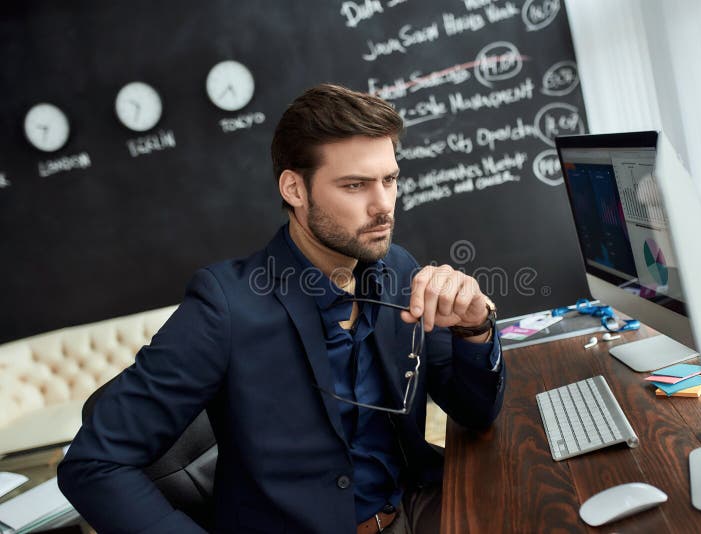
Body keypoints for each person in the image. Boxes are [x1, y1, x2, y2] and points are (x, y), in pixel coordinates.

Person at [58, 83, 506, 534]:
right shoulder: (224, 307)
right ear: (295, 188)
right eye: (355, 185)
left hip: (418, 507)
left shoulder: (399, 270)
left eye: (389, 180)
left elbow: (476, 412)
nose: (383, 206)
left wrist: (475, 328)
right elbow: (93, 464)